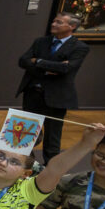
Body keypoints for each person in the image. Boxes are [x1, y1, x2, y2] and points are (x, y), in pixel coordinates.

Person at [17, 13, 90, 162]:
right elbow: (23, 61)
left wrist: (37, 61)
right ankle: (21, 161)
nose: (53, 24)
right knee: (26, 131)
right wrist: (49, 67)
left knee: (52, 135)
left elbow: (65, 69)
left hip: (56, 97)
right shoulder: (41, 42)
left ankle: (49, 168)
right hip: (33, 93)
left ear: (72, 27)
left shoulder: (79, 47)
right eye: (54, 21)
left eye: (59, 22)